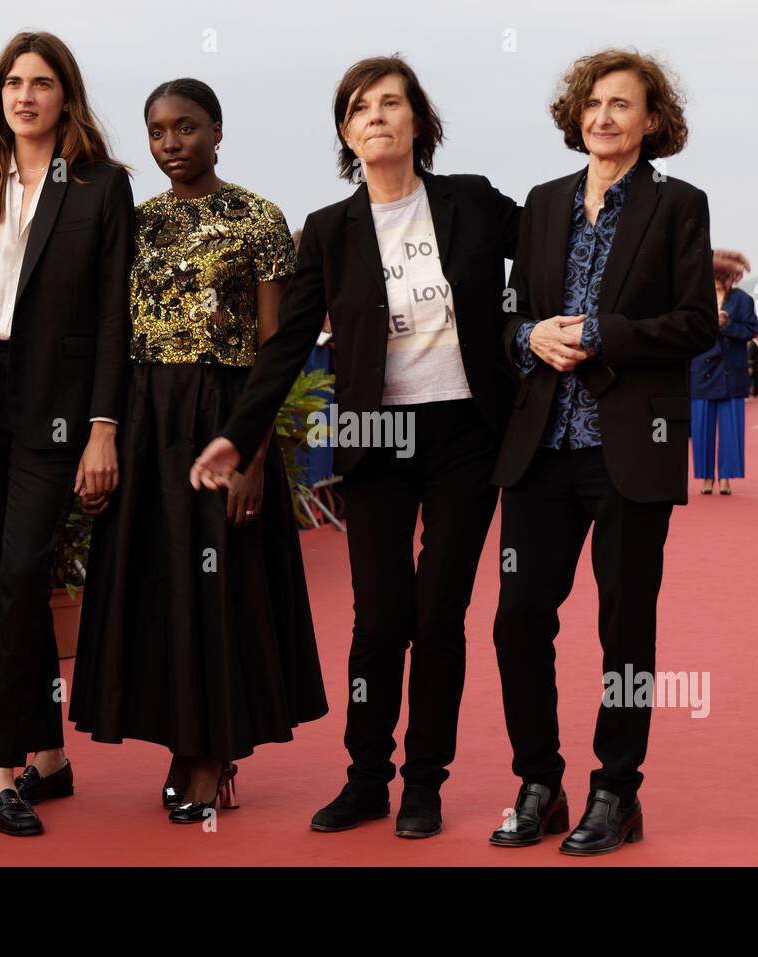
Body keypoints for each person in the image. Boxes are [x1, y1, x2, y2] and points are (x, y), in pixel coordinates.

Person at [191, 55, 525, 839]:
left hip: (466, 435)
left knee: (439, 616)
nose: (376, 115)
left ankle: (424, 783)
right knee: (378, 620)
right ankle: (366, 775)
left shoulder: (472, 202)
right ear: (346, 132)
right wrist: (239, 436)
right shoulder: (331, 231)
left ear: (418, 122)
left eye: (391, 103)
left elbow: (555, 235)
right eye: (359, 107)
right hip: (376, 438)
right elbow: (286, 345)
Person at [69, 78, 328, 823]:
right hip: (146, 419)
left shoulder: (260, 218)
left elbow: (279, 346)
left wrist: (251, 453)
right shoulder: (136, 222)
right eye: (156, 131)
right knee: (160, 584)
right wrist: (103, 432)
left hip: (226, 415)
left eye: (186, 128)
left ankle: (212, 752)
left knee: (222, 585)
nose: (171, 144)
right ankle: (184, 739)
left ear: (218, 130)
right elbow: (114, 339)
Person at [486, 49, 716, 856]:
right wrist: (527, 335)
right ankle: (538, 780)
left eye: (623, 104)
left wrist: (602, 333)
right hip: (541, 449)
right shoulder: (542, 206)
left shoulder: (679, 205)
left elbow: (697, 322)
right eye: (593, 102)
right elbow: (509, 314)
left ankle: (616, 790)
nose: (604, 116)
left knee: (625, 630)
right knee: (518, 621)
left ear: (652, 122)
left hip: (629, 448)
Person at [0, 31, 133, 837]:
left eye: (42, 83)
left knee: (16, 578)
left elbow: (114, 317)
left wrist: (103, 427)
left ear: (65, 96)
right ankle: (50, 755)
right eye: (13, 82)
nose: (25, 96)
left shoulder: (101, 187)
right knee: (19, 590)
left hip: (57, 409)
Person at [690, 275, 758, 495]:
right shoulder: (697, 298)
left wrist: (727, 325)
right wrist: (712, 324)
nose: (718, 279)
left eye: (723, 275)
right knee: (701, 428)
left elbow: (751, 330)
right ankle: (706, 477)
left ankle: (726, 478)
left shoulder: (743, 300)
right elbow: (686, 329)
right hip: (702, 369)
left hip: (732, 370)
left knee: (731, 429)